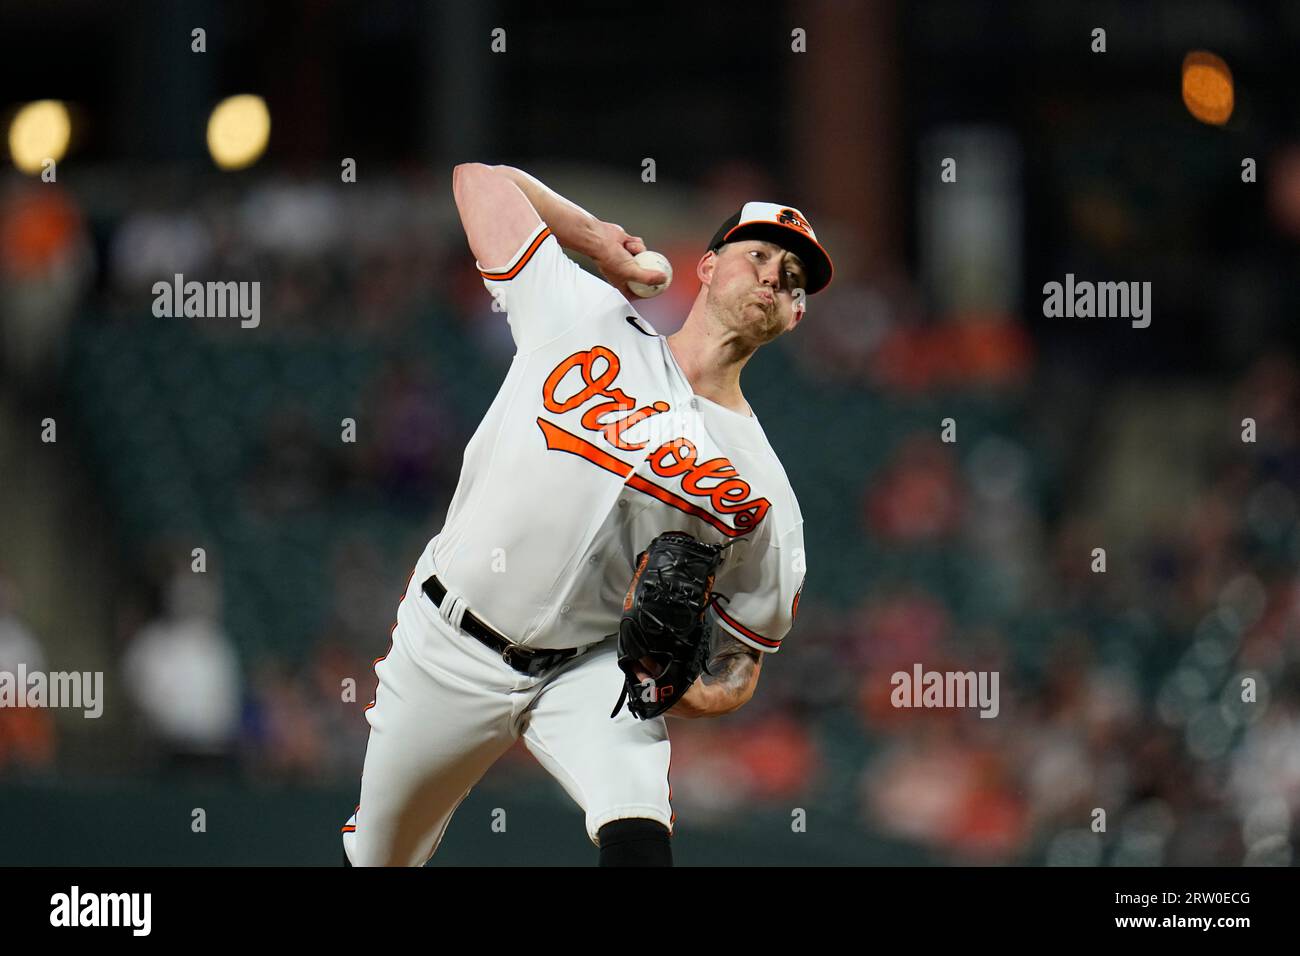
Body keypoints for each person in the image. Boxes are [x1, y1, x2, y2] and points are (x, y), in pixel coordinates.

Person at [341, 163, 833, 866]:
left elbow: (740, 665)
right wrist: (597, 240)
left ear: (794, 315)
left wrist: (681, 684)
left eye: (792, 280)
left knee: (639, 836)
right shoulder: (584, 314)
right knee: (380, 861)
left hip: (591, 669)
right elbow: (477, 181)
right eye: (759, 256)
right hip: (448, 644)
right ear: (708, 265)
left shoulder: (763, 492)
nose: (774, 279)